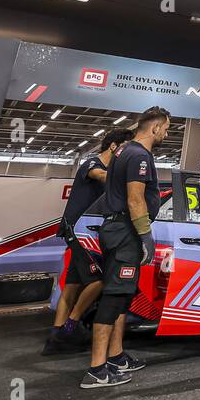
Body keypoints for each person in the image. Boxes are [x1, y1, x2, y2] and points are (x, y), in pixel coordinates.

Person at [82, 106, 170, 389]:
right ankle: (96, 370)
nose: (166, 134)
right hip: (125, 234)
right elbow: (135, 199)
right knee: (112, 299)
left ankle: (114, 357)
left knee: (119, 297)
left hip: (117, 231)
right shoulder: (139, 155)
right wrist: (145, 235)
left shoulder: (124, 151)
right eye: (166, 129)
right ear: (155, 127)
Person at [45, 128, 131, 354]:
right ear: (113, 146)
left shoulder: (108, 169)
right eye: (126, 147)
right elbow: (100, 176)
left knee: (73, 284)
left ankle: (56, 337)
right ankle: (71, 326)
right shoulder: (93, 165)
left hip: (86, 235)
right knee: (101, 279)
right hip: (78, 232)